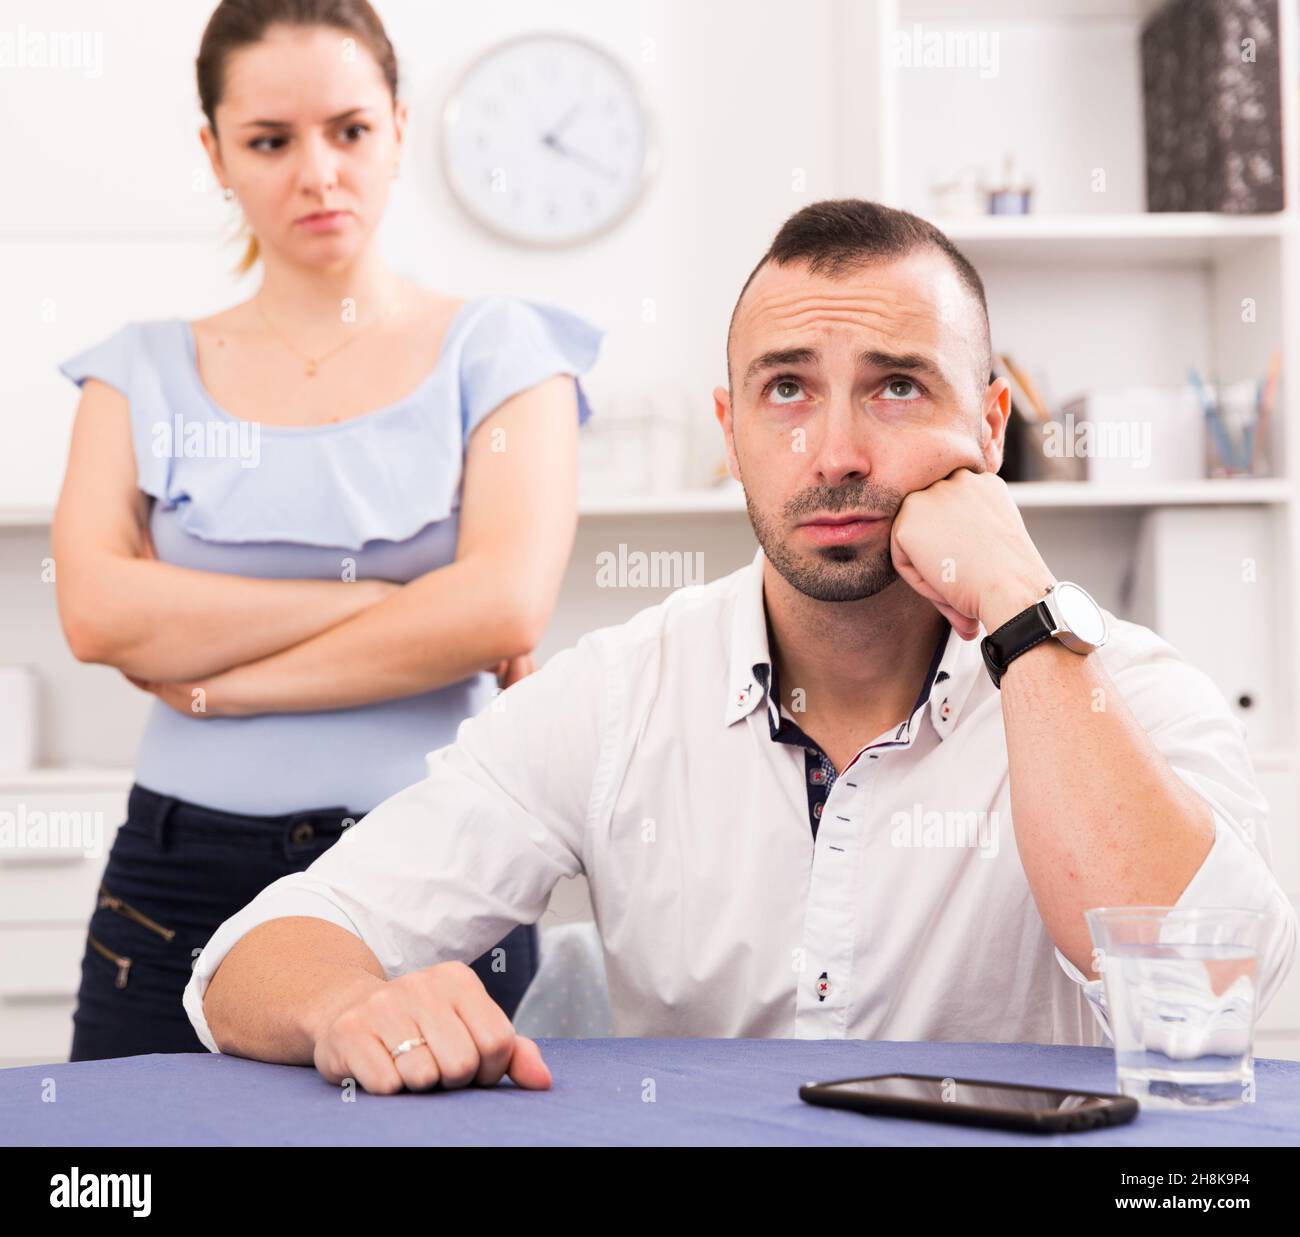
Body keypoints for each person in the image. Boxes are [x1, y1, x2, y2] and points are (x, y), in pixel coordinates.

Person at [182, 198, 1296, 1094]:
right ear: (730, 432)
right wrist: (349, 1001)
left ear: (989, 423)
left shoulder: (1125, 689)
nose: (836, 453)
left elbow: (1208, 999)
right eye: (786, 391)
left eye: (897, 386)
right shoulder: (618, 694)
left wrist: (1015, 608)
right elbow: (252, 957)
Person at [52, 0, 601, 1060]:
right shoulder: (136, 368)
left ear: (397, 126)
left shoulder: (504, 349)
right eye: (269, 140)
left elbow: (499, 604)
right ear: (214, 152)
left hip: (436, 871)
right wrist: (385, 606)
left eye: (349, 130)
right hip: (174, 879)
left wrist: (226, 684)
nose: (317, 173)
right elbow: (98, 609)